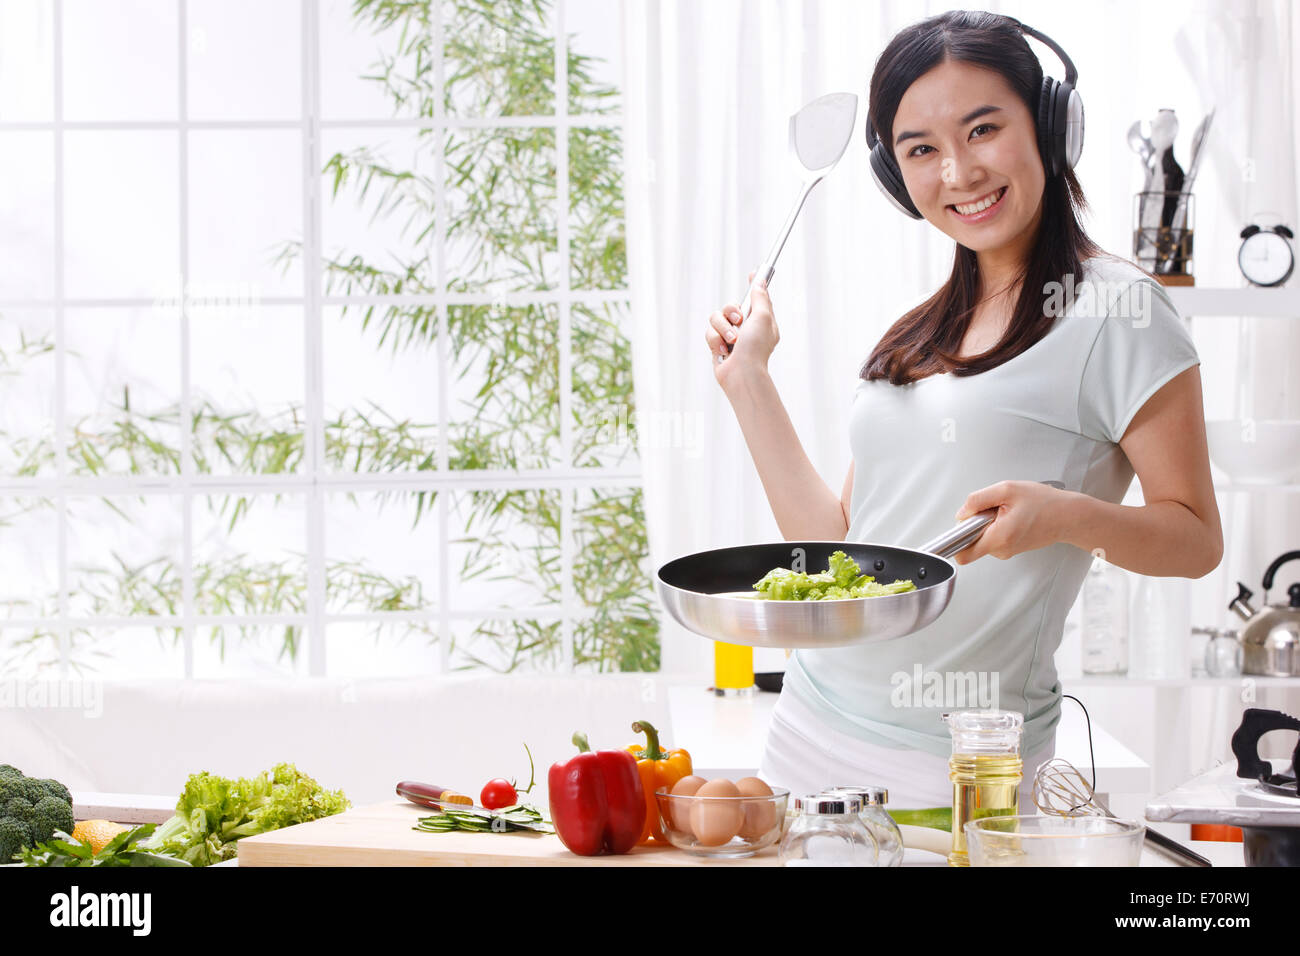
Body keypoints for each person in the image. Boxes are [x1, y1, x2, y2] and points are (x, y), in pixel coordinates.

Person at [703, 10, 1223, 811]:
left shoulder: (1122, 312)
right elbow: (842, 546)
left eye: (983, 129)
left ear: (1048, 124)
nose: (959, 172)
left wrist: (1062, 516)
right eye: (921, 150)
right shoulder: (918, 333)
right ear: (895, 174)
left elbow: (1193, 541)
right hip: (807, 732)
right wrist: (750, 382)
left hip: (961, 765)